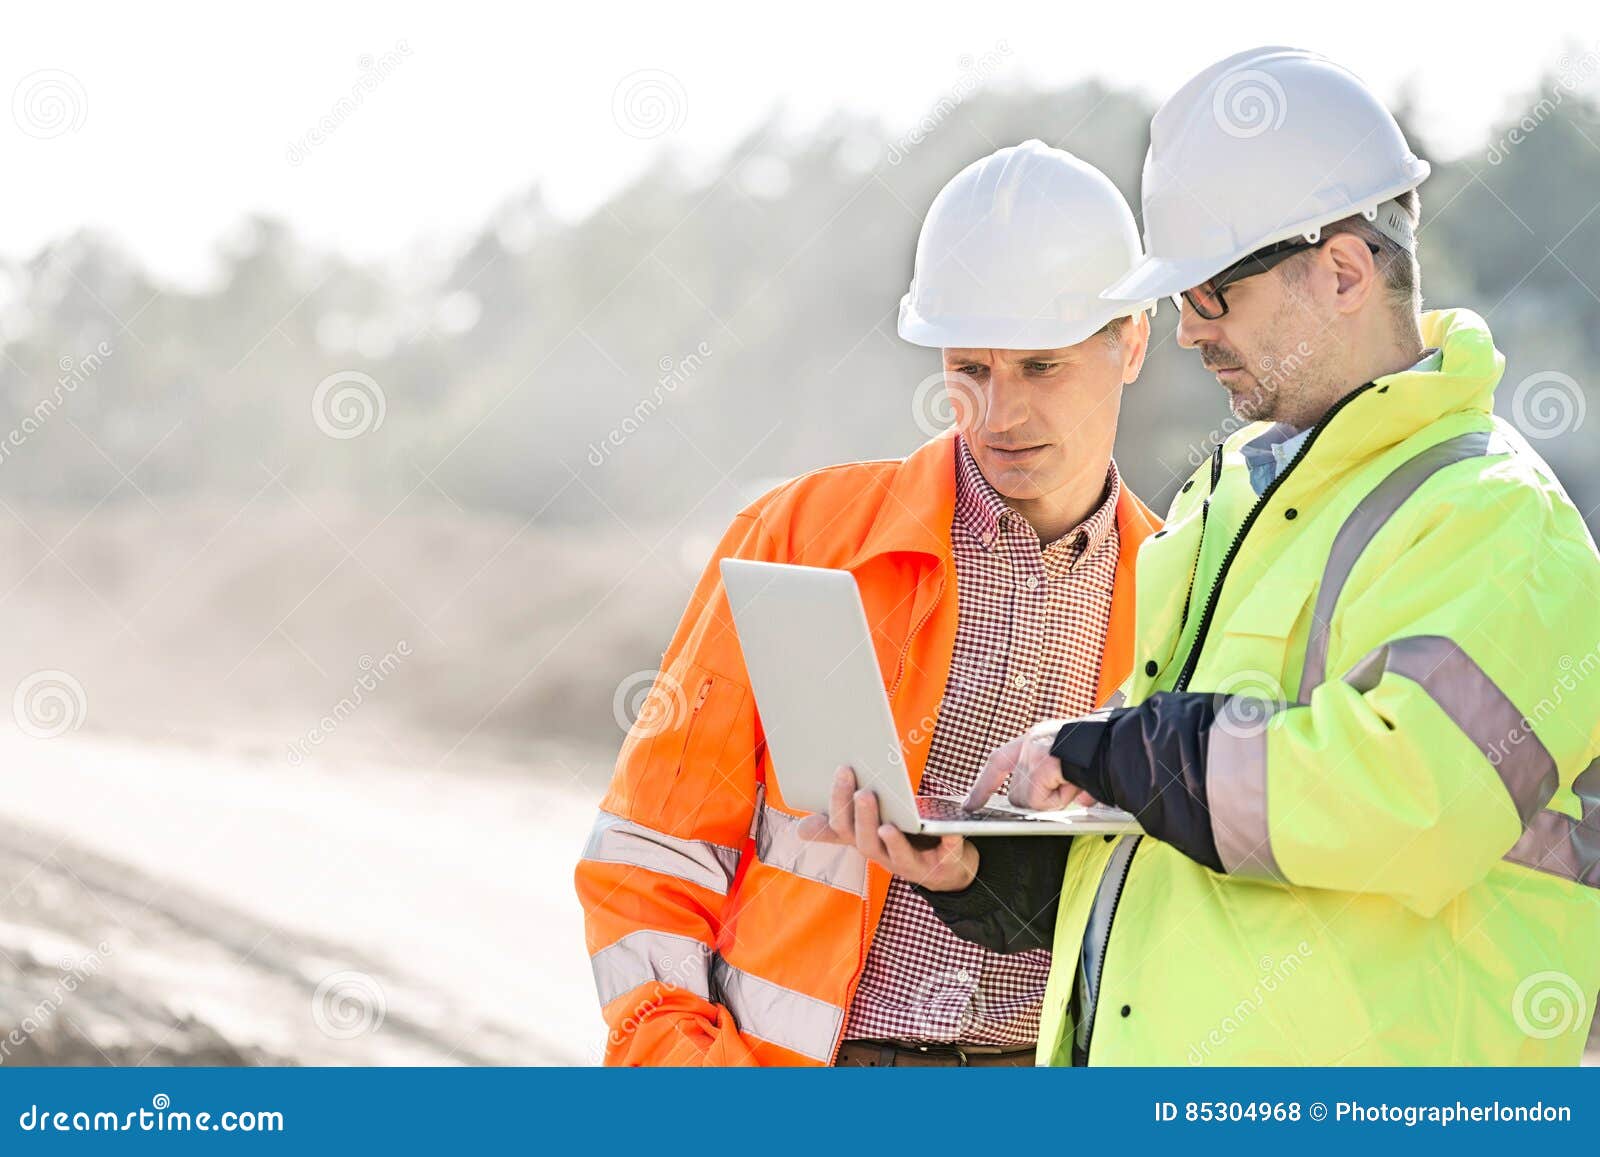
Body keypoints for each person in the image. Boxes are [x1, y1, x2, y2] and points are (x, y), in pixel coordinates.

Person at [891, 46, 1600, 1066]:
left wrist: (1120, 750)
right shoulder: (1229, 501)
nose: (1184, 331)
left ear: (1343, 271)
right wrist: (1006, 883)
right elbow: (1223, 838)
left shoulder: (1492, 518)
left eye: (1210, 294)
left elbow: (1414, 800)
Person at [574, 140, 1161, 1065]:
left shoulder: (1180, 589)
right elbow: (654, 845)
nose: (998, 412)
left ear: (1132, 341)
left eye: (1041, 368)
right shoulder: (803, 536)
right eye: (970, 368)